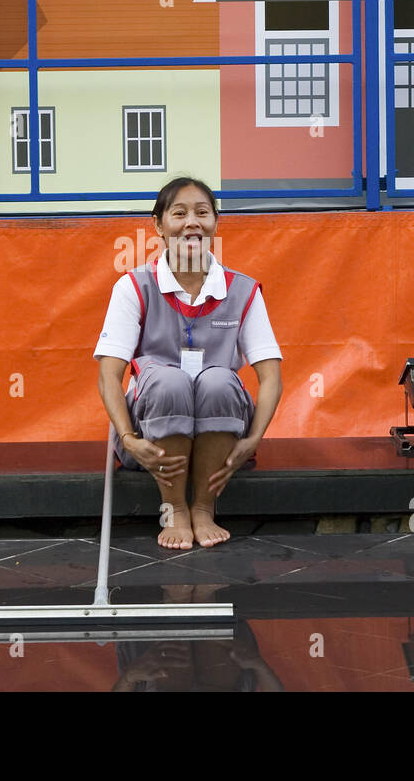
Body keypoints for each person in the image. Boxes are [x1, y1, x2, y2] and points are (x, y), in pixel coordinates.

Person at [95, 177, 282, 550]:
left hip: (220, 423)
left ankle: (203, 507)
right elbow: (108, 374)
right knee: (169, 382)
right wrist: (129, 440)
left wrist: (254, 440)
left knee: (218, 382)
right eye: (179, 213)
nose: (192, 222)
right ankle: (175, 508)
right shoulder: (133, 286)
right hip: (151, 427)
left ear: (216, 222)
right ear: (158, 225)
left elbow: (271, 375)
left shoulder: (241, 289)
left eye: (202, 212)